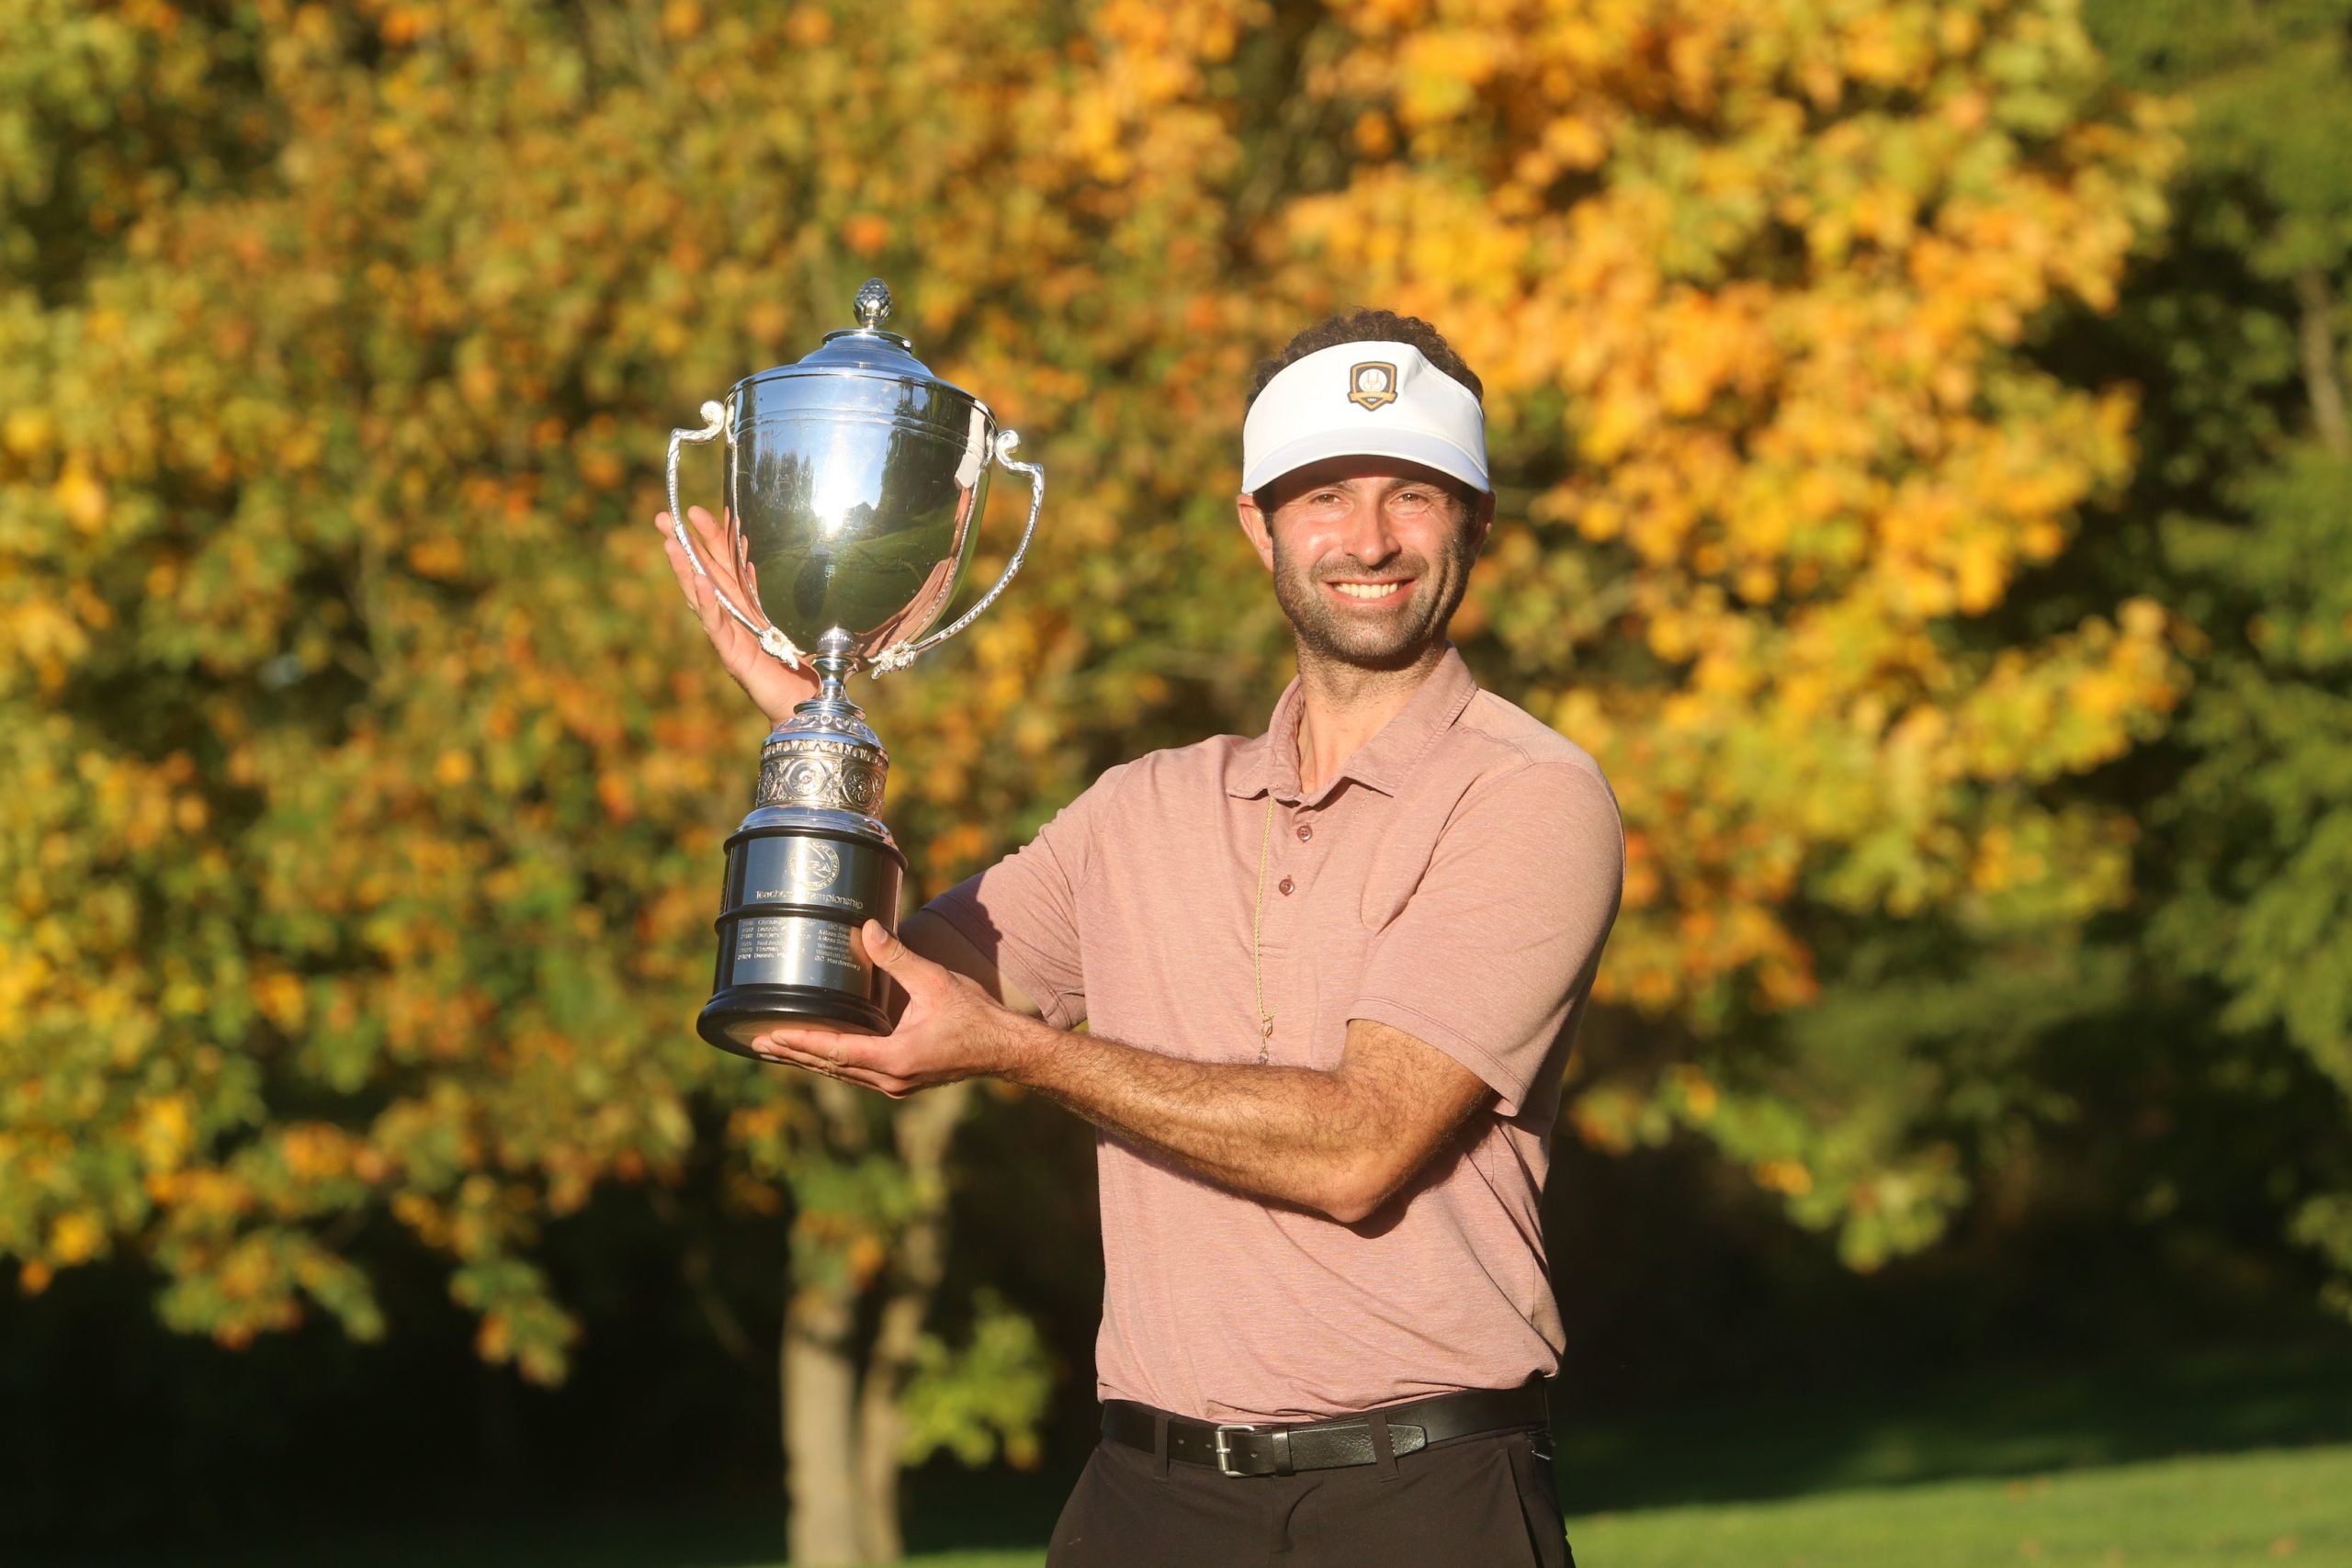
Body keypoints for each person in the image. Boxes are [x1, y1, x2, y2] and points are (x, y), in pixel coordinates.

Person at [657, 310, 1623, 1567]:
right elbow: (864, 1005)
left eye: (1416, 496)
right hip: (1147, 1502)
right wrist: (822, 739)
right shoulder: (1140, 808)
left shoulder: (1531, 795)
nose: (1370, 540)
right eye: (1324, 495)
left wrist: (1026, 1054)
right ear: (1257, 527)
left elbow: (1363, 1149)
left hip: (1422, 1501)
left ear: (1477, 523)